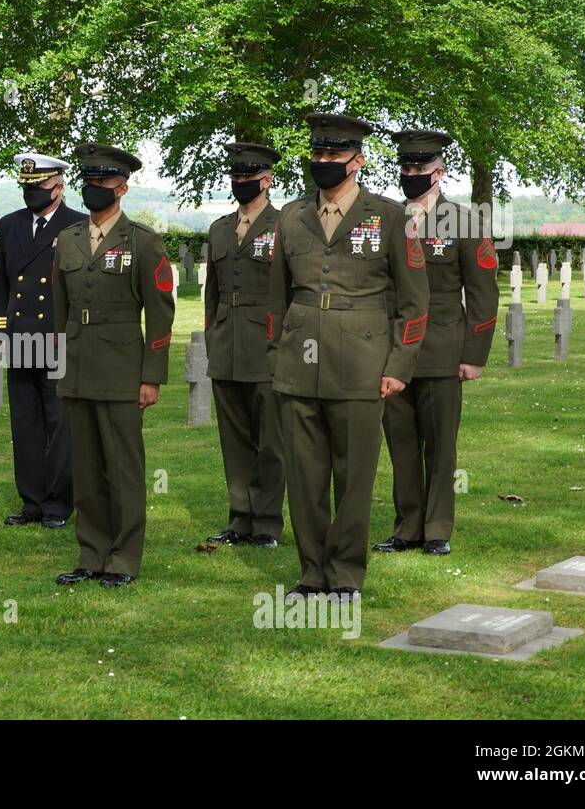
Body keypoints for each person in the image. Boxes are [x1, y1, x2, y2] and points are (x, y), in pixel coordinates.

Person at [268, 113, 429, 599]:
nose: (323, 163)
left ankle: (344, 574)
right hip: (299, 363)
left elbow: (414, 302)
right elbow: (277, 298)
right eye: (317, 154)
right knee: (304, 477)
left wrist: (399, 367)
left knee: (354, 477)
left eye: (334, 156)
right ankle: (311, 574)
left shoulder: (390, 217)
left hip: (362, 364)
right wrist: (277, 355)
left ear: (357, 162)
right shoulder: (291, 217)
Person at [51, 143, 175, 587]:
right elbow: (59, 314)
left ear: (122, 188)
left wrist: (151, 376)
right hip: (78, 368)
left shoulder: (143, 242)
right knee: (85, 470)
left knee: (123, 469)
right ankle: (91, 553)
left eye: (102, 182)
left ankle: (123, 557)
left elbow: (161, 314)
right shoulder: (66, 240)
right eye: (89, 182)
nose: (94, 189)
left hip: (122, 370)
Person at [376, 130, 498, 556]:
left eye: (420, 168)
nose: (411, 174)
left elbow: (483, 292)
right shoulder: (387, 220)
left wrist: (474, 355)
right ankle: (407, 527)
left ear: (439, 172)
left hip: (444, 349)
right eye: (406, 168)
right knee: (402, 443)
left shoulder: (464, 222)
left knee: (441, 445)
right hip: (394, 351)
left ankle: (437, 528)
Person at [0, 153, 86, 530]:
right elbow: (2, 283)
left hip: (56, 338)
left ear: (59, 187)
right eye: (27, 187)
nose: (32, 193)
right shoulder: (10, 224)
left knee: (59, 423)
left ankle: (58, 504)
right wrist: (0, 330)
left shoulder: (76, 225)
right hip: (19, 337)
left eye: (40, 187)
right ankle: (31, 501)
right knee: (25, 425)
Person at [203, 143, 285, 549]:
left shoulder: (285, 225)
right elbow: (212, 295)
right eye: (235, 176)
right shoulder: (219, 228)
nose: (240, 183)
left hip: (267, 343)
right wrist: (213, 337)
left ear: (266, 180)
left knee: (270, 440)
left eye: (248, 176)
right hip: (226, 343)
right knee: (234, 440)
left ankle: (267, 521)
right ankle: (239, 519)